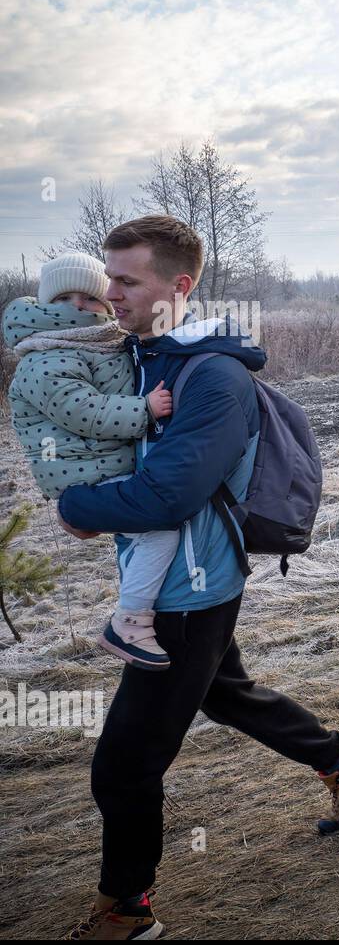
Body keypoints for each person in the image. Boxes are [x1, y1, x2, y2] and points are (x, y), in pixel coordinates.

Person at [56, 216, 339, 940]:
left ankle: (126, 908)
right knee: (226, 692)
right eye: (109, 276)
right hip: (180, 580)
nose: (110, 292)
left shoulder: (211, 377)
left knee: (123, 766)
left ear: (178, 287)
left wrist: (75, 504)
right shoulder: (145, 359)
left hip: (186, 592)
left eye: (126, 280)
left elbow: (168, 494)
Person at [3, 252, 179, 668]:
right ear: (46, 304)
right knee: (159, 529)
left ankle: (150, 612)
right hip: (86, 473)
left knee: (142, 539)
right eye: (67, 298)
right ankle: (129, 622)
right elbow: (81, 411)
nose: (79, 307)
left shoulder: (99, 343)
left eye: (91, 298)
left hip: (105, 468)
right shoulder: (47, 355)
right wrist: (145, 410)